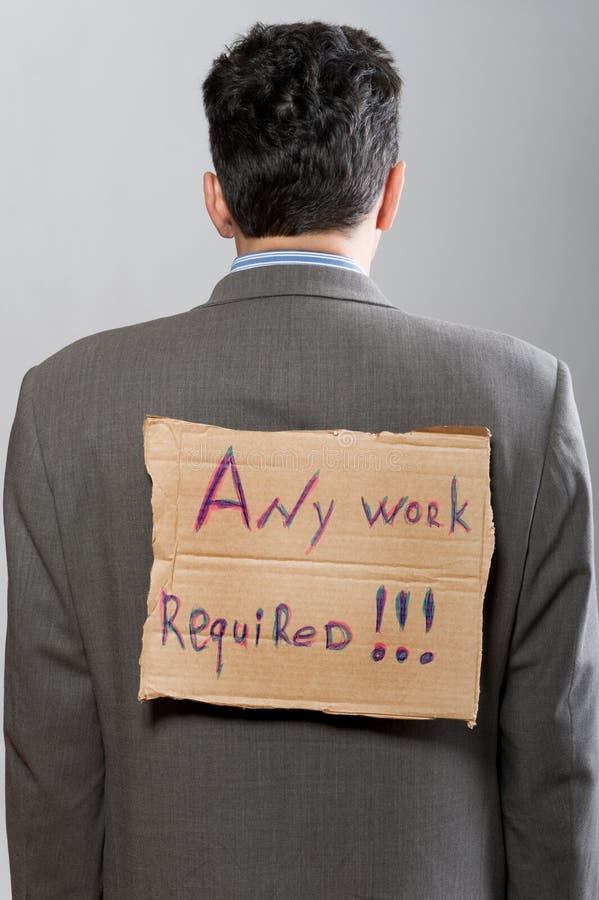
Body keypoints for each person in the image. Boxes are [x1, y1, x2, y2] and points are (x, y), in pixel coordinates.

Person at [3, 19, 598, 900]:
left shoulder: (64, 407)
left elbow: (51, 779)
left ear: (216, 200)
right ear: (392, 194)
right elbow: (556, 772)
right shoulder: (523, 402)